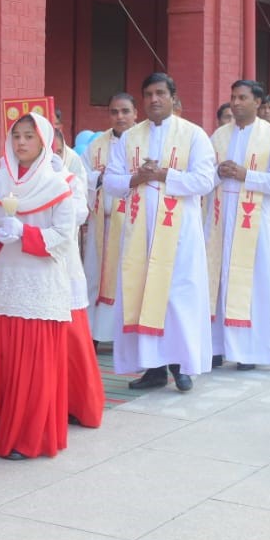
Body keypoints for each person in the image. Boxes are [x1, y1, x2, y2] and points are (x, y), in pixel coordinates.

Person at [0, 113, 78, 459]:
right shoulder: (0, 183)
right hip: (4, 284)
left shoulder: (57, 184)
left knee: (31, 368)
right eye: (16, 135)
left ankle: (26, 436)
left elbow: (64, 237)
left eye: (29, 136)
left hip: (39, 285)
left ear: (44, 141)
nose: (20, 142)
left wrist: (26, 233)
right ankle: (1, 427)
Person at [103, 73, 217, 391]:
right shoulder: (129, 138)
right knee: (142, 296)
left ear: (173, 97)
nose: (154, 99)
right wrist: (137, 178)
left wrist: (165, 173)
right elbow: (111, 181)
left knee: (177, 298)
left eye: (160, 93)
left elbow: (205, 181)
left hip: (179, 234)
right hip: (140, 234)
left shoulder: (194, 135)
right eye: (149, 94)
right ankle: (152, 369)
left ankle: (180, 366)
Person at [206, 80, 270, 370]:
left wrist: (248, 175)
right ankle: (216, 346)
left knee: (254, 287)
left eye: (243, 97)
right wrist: (218, 173)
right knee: (216, 284)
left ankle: (249, 351)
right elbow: (204, 175)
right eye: (233, 97)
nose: (236, 102)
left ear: (258, 102)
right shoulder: (219, 135)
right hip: (219, 222)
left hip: (254, 224)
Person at [51, 125, 104, 428]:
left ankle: (78, 403)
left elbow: (79, 213)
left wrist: (56, 183)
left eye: (56, 150)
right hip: (33, 273)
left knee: (72, 340)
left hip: (65, 266)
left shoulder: (71, 172)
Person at [85, 93, 136, 350]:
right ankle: (94, 333)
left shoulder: (143, 142)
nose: (120, 117)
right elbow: (81, 177)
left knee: (125, 279)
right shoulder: (96, 146)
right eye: (115, 112)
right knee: (94, 275)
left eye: (125, 111)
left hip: (132, 224)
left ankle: (123, 336)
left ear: (135, 113)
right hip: (100, 224)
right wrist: (99, 176)